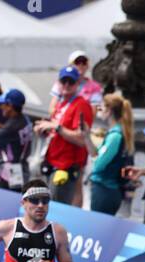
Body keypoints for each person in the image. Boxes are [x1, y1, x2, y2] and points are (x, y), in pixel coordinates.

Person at [35, 64, 93, 207]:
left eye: (71, 82)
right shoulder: (62, 103)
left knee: (56, 211)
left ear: (77, 83)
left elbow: (81, 139)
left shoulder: (81, 105)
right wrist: (45, 129)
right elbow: (58, 131)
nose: (66, 85)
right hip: (52, 164)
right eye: (63, 81)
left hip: (65, 168)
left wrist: (57, 127)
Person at [87, 93, 134, 216]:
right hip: (105, 191)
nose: (99, 110)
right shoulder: (114, 134)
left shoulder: (115, 136)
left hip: (105, 191)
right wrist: (86, 136)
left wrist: (95, 159)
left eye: (102, 107)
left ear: (109, 111)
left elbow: (99, 165)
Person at [48, 49, 103, 114]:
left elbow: (95, 111)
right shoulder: (61, 82)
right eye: (77, 62)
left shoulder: (95, 87)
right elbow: (52, 107)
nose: (81, 65)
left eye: (84, 62)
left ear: (87, 65)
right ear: (70, 65)